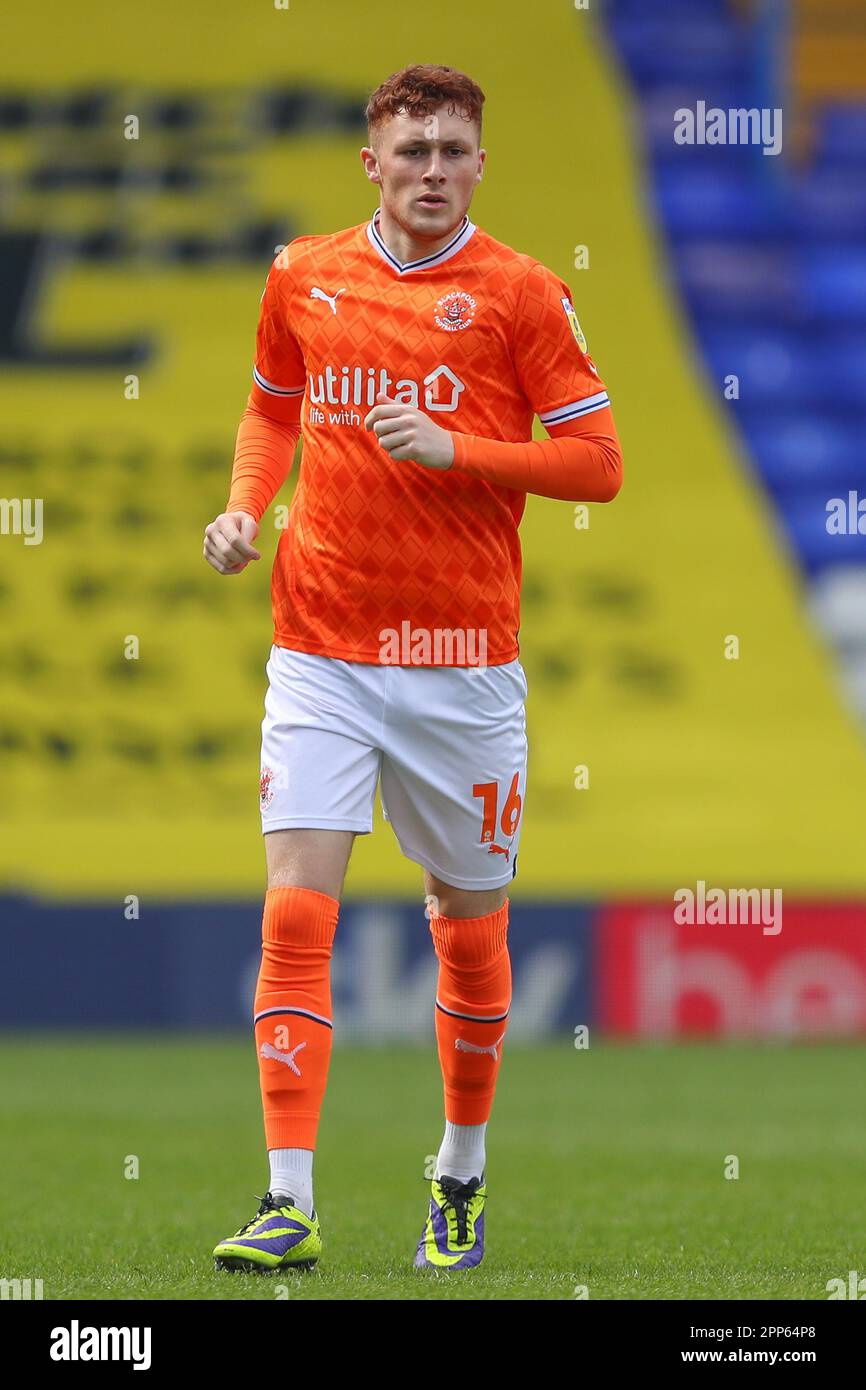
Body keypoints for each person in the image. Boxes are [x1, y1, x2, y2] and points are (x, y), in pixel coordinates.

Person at [203, 62, 622, 1274]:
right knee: (295, 910)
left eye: (453, 151)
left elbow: (596, 463)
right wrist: (243, 510)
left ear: (480, 165)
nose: (432, 170)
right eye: (412, 150)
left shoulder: (522, 295)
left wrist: (457, 447)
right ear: (369, 160)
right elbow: (271, 407)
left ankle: (459, 1171)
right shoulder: (302, 272)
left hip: (460, 663)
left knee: (468, 930)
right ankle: (288, 1198)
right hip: (321, 646)